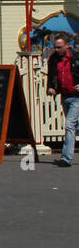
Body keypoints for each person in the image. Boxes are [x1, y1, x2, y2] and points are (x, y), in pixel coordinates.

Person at [45, 36, 79, 167]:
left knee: (69, 125)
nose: (57, 49)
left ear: (67, 46)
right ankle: (66, 156)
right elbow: (51, 75)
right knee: (73, 126)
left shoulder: (76, 57)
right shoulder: (53, 59)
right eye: (55, 47)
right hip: (65, 96)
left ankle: (66, 158)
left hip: (77, 96)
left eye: (59, 47)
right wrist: (51, 87)